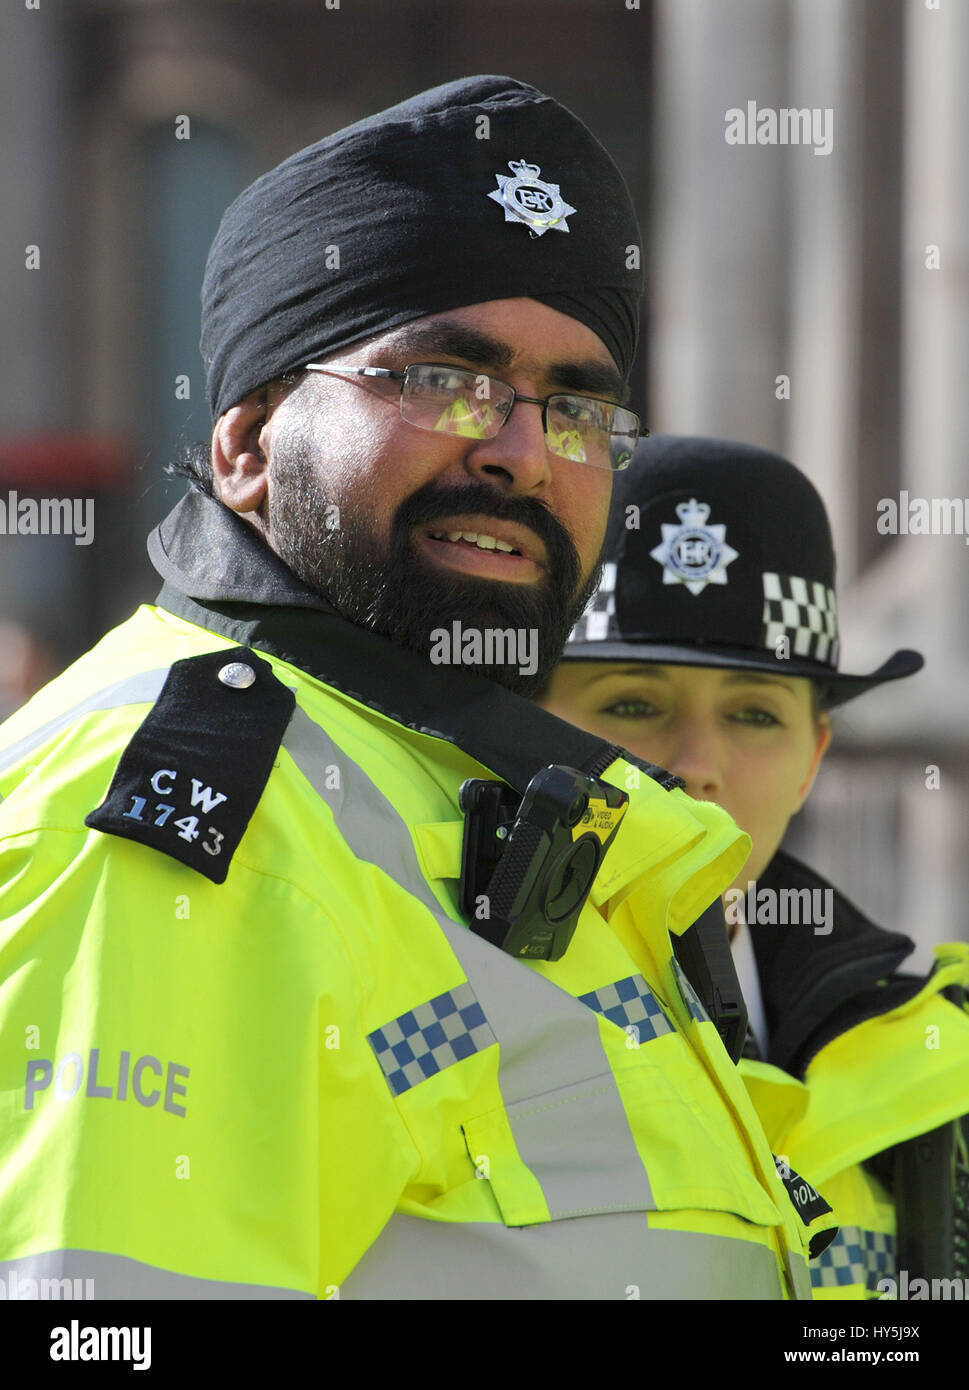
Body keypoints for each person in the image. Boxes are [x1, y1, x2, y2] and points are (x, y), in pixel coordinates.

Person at [0, 79, 828, 1302]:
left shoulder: (467, 789)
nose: (521, 450)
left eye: (580, 407)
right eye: (445, 378)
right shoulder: (194, 828)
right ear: (245, 445)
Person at [541, 433, 969, 1299]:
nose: (698, 761)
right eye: (632, 703)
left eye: (755, 716)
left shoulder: (937, 1052)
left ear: (813, 758)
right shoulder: (439, 1000)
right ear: (531, 721)